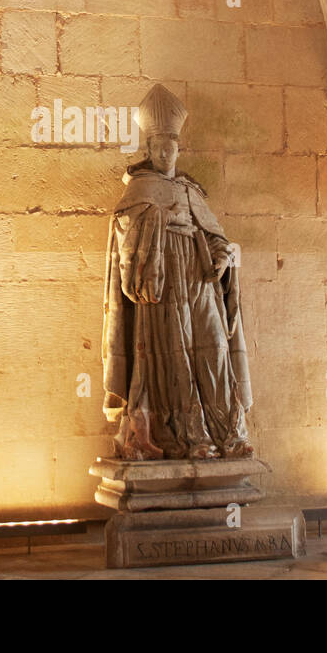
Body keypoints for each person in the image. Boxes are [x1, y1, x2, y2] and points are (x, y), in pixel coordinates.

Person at [101, 83, 254, 461]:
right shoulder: (138, 192)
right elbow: (125, 236)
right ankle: (187, 436)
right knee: (174, 358)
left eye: (173, 148)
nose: (167, 153)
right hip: (162, 286)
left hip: (200, 281)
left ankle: (228, 433)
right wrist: (160, 219)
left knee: (216, 348)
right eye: (160, 148)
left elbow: (216, 235)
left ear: (178, 149)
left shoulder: (190, 189)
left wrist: (222, 257)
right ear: (149, 150)